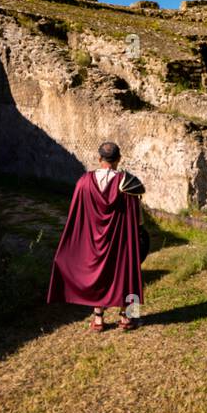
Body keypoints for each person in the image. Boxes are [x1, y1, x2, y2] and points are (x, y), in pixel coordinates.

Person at [46, 141, 146, 331]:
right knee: (126, 274)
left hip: (93, 240)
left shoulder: (84, 181)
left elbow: (77, 215)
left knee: (98, 274)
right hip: (121, 239)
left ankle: (98, 319)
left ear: (99, 159)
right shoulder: (128, 183)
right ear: (119, 159)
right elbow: (138, 219)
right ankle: (128, 318)